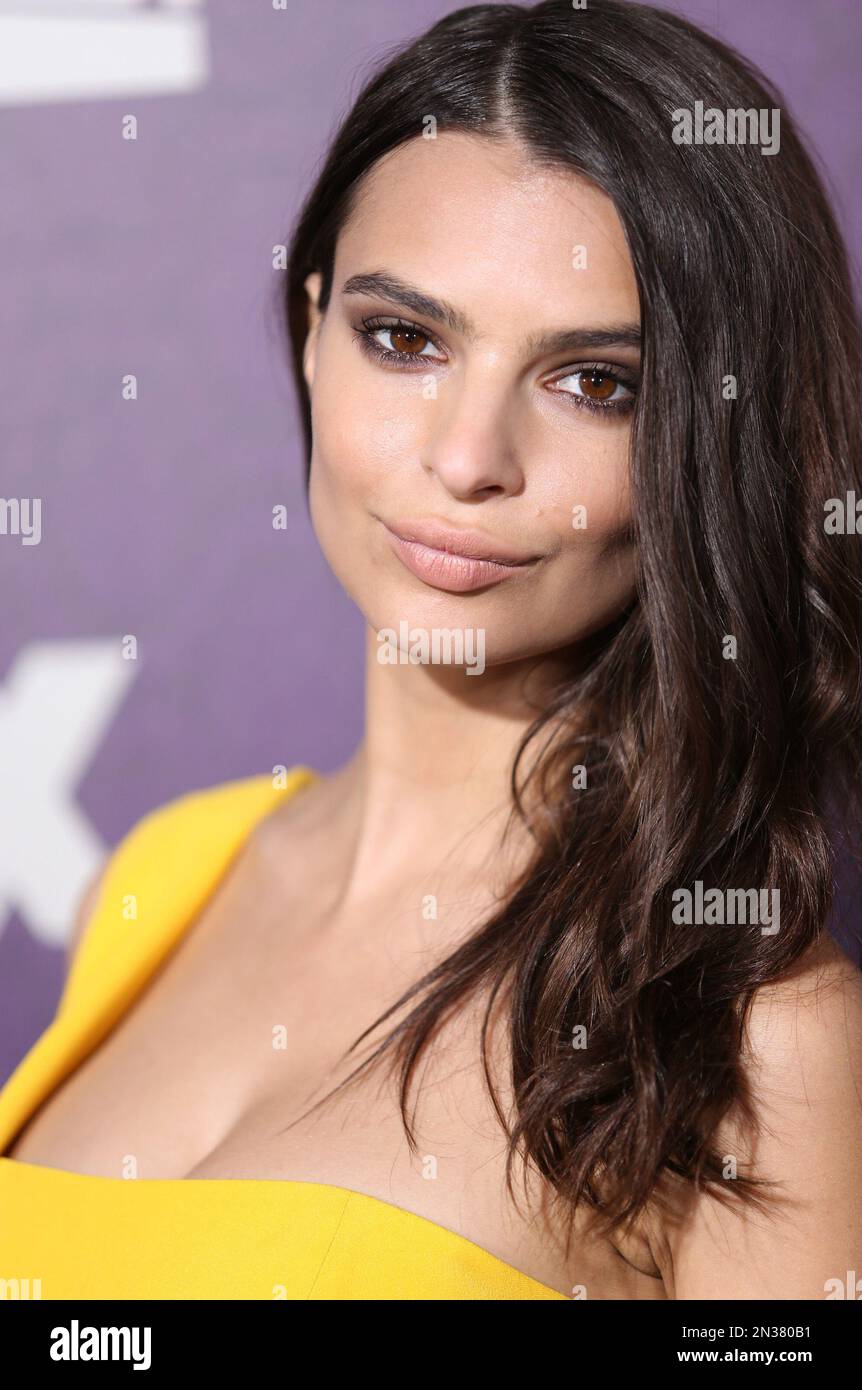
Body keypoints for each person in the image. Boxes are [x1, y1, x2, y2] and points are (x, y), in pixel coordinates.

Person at [2, 0, 861, 1301]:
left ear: (717, 429)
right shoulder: (167, 870)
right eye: (403, 339)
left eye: (594, 382)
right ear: (309, 329)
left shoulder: (759, 1033)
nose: (466, 458)